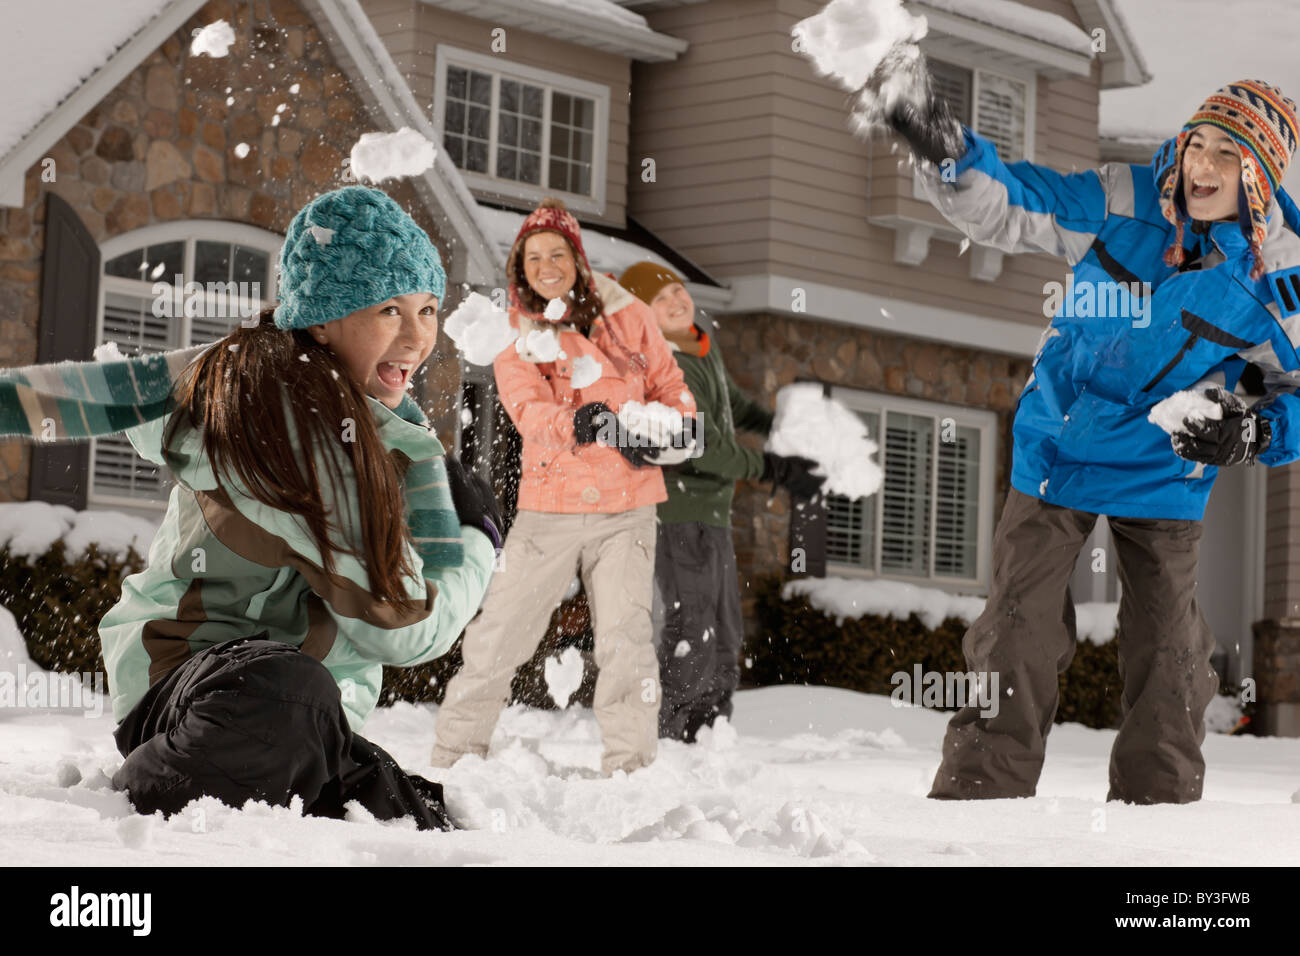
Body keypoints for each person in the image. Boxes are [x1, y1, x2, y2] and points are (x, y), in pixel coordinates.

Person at [0, 186, 502, 829]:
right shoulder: (283, 420)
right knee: (289, 696)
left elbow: (107, 397)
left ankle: (333, 781)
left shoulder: (400, 445)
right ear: (322, 319)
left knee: (409, 808)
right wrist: (480, 544)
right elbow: (402, 624)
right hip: (195, 690)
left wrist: (458, 526)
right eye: (389, 309)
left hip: (305, 717)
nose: (417, 336)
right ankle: (147, 794)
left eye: (429, 309)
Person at [888, 76, 1300, 803]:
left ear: (1261, 175)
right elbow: (1015, 205)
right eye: (1196, 143)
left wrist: (1256, 431)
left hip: (1167, 471)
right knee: (1016, 632)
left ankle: (1157, 808)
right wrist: (952, 158)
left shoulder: (1280, 275)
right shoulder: (1121, 199)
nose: (1200, 167)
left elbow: (1293, 393)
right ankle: (981, 796)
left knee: (1172, 652)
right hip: (1060, 445)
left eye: (1228, 157)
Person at [430, 200, 696, 776]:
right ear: (519, 267)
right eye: (534, 256)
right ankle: (453, 759)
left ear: (576, 258)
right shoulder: (518, 331)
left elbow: (670, 385)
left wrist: (674, 428)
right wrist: (587, 423)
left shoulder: (629, 317)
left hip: (628, 504)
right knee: (498, 632)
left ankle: (631, 770)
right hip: (550, 506)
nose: (546, 265)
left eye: (557, 253)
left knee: (626, 642)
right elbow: (530, 414)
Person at [618, 261, 825, 742]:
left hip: (711, 517)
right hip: (678, 513)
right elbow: (704, 447)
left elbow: (734, 405)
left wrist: (781, 427)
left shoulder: (700, 347)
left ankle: (710, 733)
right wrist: (773, 469)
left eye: (677, 289)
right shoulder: (661, 365)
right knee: (692, 629)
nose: (675, 300)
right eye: (660, 298)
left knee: (726, 632)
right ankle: (667, 737)